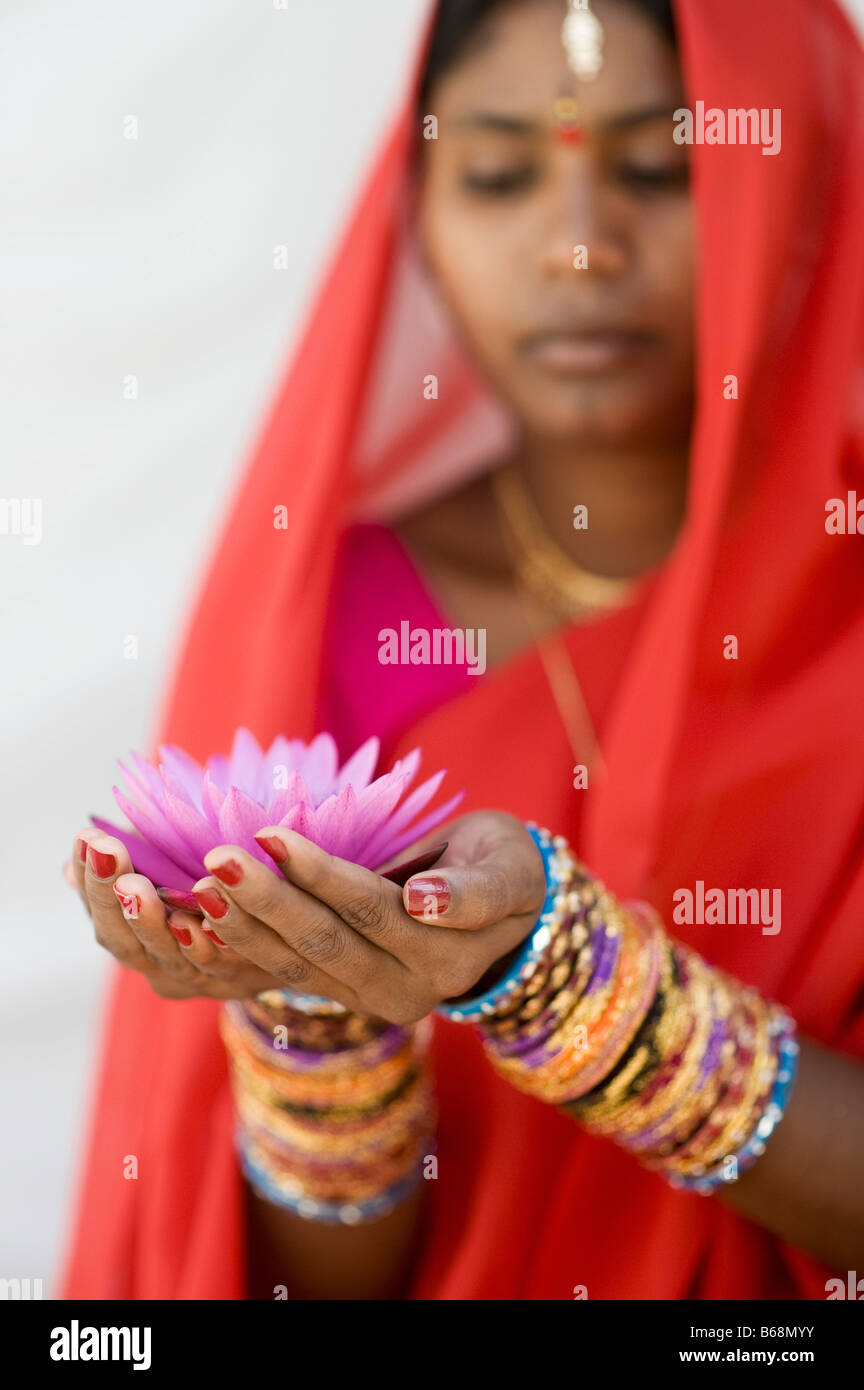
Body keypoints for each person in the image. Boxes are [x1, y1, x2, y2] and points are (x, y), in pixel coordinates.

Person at [60, 0, 864, 1301]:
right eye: (499, 173)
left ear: (807, 175)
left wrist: (559, 973)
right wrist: (318, 1013)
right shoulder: (339, 608)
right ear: (418, 220)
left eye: (663, 168)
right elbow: (296, 1282)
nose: (582, 249)